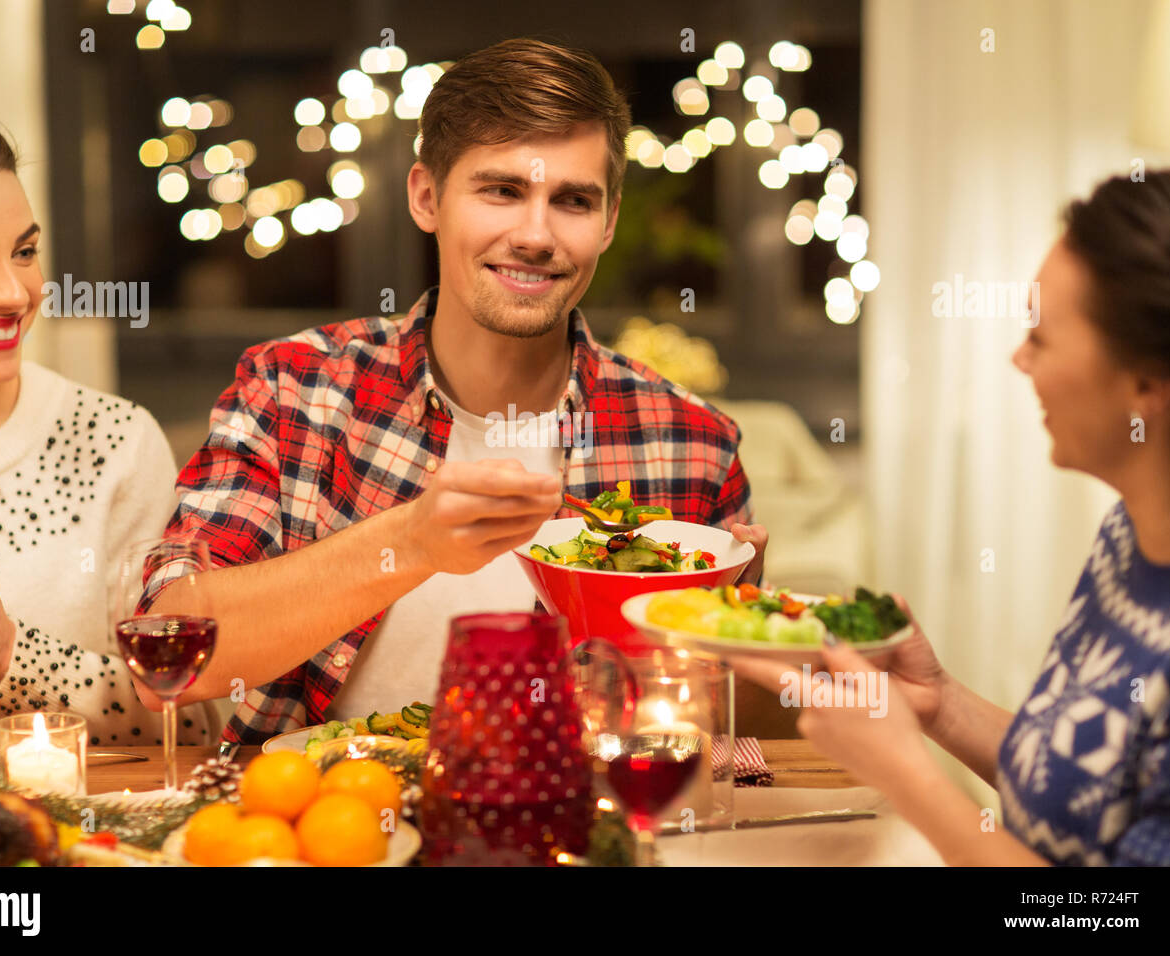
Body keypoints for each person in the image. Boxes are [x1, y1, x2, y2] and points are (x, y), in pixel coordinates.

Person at [141, 38, 769, 742]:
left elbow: (722, 741)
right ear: (426, 196)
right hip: (325, 834)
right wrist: (409, 542)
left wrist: (732, 634)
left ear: (610, 220)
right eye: (502, 190)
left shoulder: (692, 443)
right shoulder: (293, 390)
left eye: (572, 200)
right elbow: (171, 658)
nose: (535, 235)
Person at [732, 170, 1170, 866]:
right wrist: (940, 703)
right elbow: (1084, 794)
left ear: (1149, 384)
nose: (1019, 358)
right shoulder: (1129, 540)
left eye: (1041, 337)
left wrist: (907, 778)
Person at [0, 98, 215, 745]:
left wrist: (11, 654)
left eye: (25, 251)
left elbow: (190, 726)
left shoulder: (111, 441)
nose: (15, 293)